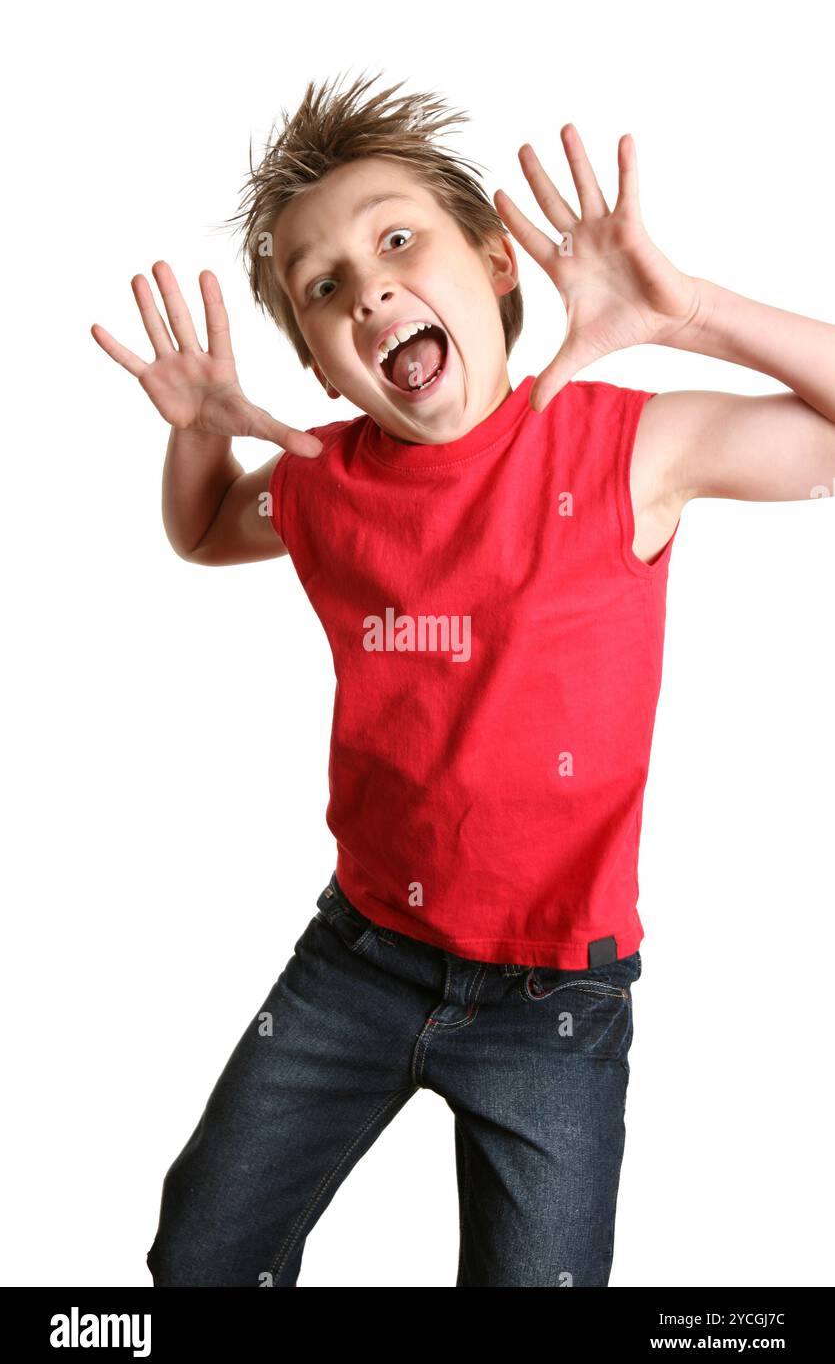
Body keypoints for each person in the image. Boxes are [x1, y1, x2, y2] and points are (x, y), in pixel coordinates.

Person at [91, 70, 835, 1287]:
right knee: (201, 1253)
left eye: (396, 240)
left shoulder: (625, 450)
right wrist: (197, 429)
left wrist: (688, 310)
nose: (368, 286)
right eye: (323, 288)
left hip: (554, 1000)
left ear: (498, 263)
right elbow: (208, 528)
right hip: (358, 958)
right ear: (328, 370)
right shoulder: (325, 478)